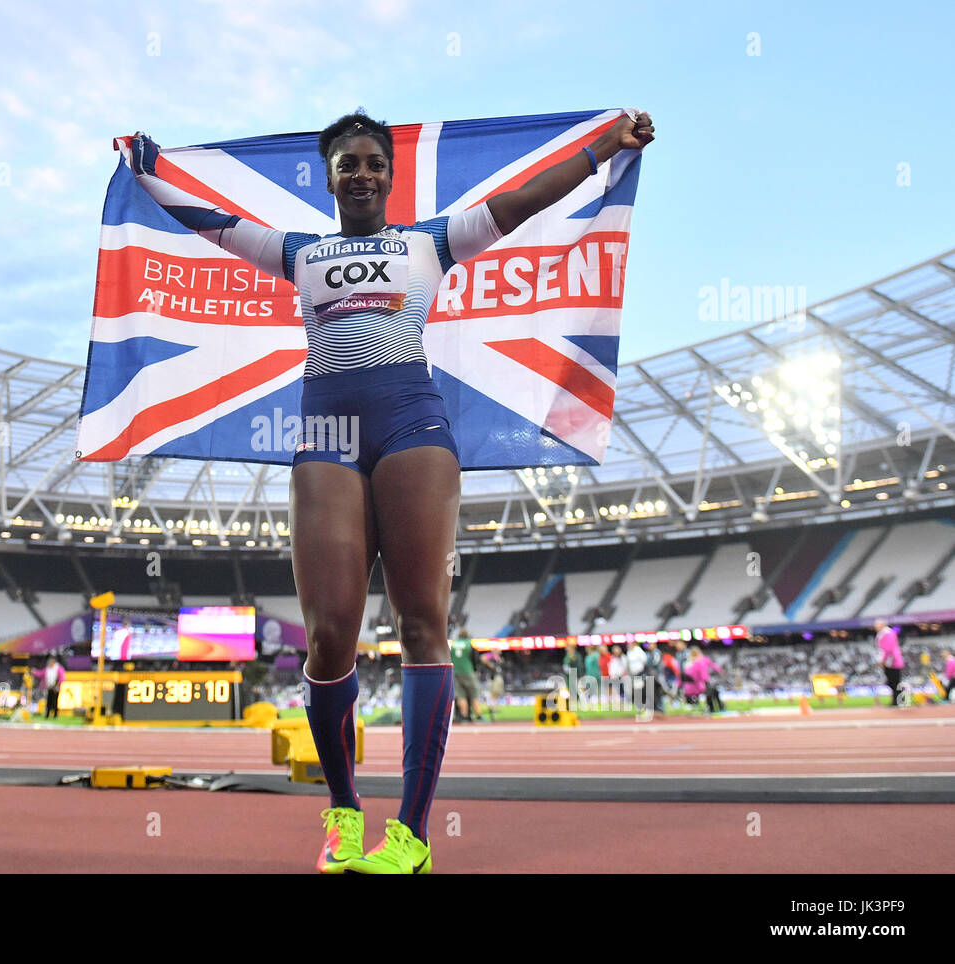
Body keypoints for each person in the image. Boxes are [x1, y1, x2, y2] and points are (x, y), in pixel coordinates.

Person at [129, 107, 655, 874]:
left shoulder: (430, 242)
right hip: (327, 437)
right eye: (350, 164)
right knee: (330, 634)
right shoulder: (298, 251)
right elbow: (213, 222)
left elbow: (525, 199)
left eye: (375, 162)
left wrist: (606, 147)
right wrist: (148, 174)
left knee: (421, 624)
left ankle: (409, 836)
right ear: (332, 177)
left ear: (390, 174)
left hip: (414, 428)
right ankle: (343, 814)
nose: (364, 174)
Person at [450, 628, 483, 723]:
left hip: (455, 672)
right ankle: (478, 715)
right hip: (468, 672)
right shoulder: (469, 644)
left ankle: (464, 716)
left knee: (461, 695)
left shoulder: (454, 644)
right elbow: (475, 658)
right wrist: (475, 669)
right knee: (474, 694)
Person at [683, 646, 724, 714]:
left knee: (713, 692)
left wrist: (719, 670)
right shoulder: (697, 662)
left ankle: (716, 708)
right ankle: (713, 708)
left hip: (700, 683)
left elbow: (712, 665)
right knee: (711, 693)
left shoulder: (693, 662)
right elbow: (697, 675)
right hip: (699, 684)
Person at [875, 619, 904, 706]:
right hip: (890, 661)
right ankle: (898, 700)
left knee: (894, 682)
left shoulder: (887, 634)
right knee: (892, 682)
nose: (876, 627)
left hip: (892, 662)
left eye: (878, 625)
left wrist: (882, 660)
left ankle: (898, 700)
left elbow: (887, 649)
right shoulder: (883, 634)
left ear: (882, 625)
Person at [43, 655, 65, 719]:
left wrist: (58, 684)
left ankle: (55, 715)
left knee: (55, 701)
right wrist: (35, 672)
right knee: (49, 701)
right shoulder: (48, 669)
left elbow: (62, 677)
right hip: (49, 687)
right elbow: (42, 673)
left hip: (55, 687)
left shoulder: (58, 668)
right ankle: (47, 714)